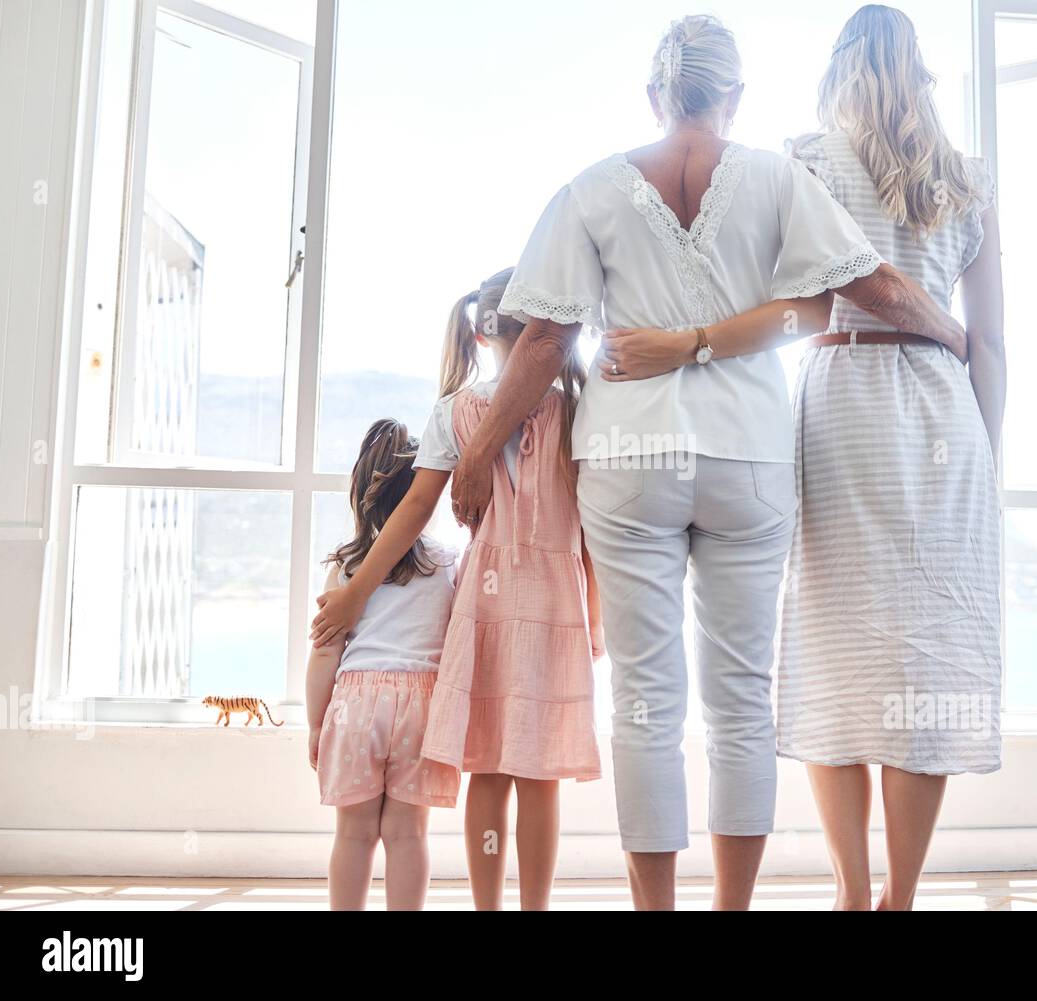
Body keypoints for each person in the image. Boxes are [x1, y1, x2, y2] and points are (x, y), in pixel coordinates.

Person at [447, 15, 968, 911]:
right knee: (740, 697)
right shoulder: (772, 176)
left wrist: (478, 453)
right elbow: (863, 283)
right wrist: (950, 331)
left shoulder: (590, 189)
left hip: (626, 458)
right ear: (734, 96)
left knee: (648, 698)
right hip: (750, 458)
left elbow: (539, 342)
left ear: (655, 94)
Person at [604, 4, 1007, 911]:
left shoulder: (810, 160)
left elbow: (808, 302)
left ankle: (852, 892)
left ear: (840, 69)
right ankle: (900, 897)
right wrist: (985, 455)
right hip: (946, 413)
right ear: (922, 69)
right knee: (922, 665)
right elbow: (994, 341)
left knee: (834, 653)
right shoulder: (968, 179)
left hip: (843, 400)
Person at [310, 269, 602, 911]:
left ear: (480, 330)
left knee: (489, 773)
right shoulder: (579, 406)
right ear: (549, 330)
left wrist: (357, 591)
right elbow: (591, 521)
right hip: (555, 599)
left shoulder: (454, 410)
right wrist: (599, 610)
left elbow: (415, 507)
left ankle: (488, 908)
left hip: (487, 603)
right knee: (539, 777)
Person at [306, 419, 457, 911]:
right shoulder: (447, 563)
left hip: (355, 704)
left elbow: (325, 650)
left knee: (353, 834)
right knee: (408, 833)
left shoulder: (346, 568)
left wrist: (315, 723)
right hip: (424, 707)